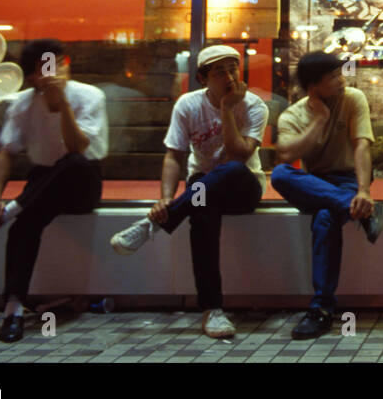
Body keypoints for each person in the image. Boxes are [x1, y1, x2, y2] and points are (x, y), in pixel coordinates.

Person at [108, 45, 267, 338]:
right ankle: (212, 310)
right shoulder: (187, 104)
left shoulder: (254, 105)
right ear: (203, 78)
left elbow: (239, 155)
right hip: (202, 185)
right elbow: (174, 155)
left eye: (233, 69)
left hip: (244, 185)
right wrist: (166, 197)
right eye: (220, 72)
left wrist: (228, 108)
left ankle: (152, 226)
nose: (229, 76)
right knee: (202, 214)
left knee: (229, 169)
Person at [0, 38, 108, 343]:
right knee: (24, 227)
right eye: (48, 67)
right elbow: (7, 153)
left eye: (61, 64)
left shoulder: (89, 96)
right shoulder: (23, 103)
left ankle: (9, 213)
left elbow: (79, 147)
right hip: (42, 182)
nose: (57, 72)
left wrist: (63, 102)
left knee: (74, 162)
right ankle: (12, 309)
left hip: (82, 180)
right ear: (32, 77)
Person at [271, 52, 383, 340]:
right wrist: (319, 121)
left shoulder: (353, 98)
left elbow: (362, 146)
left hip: (347, 180)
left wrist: (363, 191)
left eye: (340, 73)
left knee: (325, 219)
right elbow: (286, 153)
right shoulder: (293, 115)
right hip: (314, 182)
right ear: (313, 88)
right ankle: (362, 212)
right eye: (333, 77)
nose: (341, 80)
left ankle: (321, 309)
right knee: (281, 174)